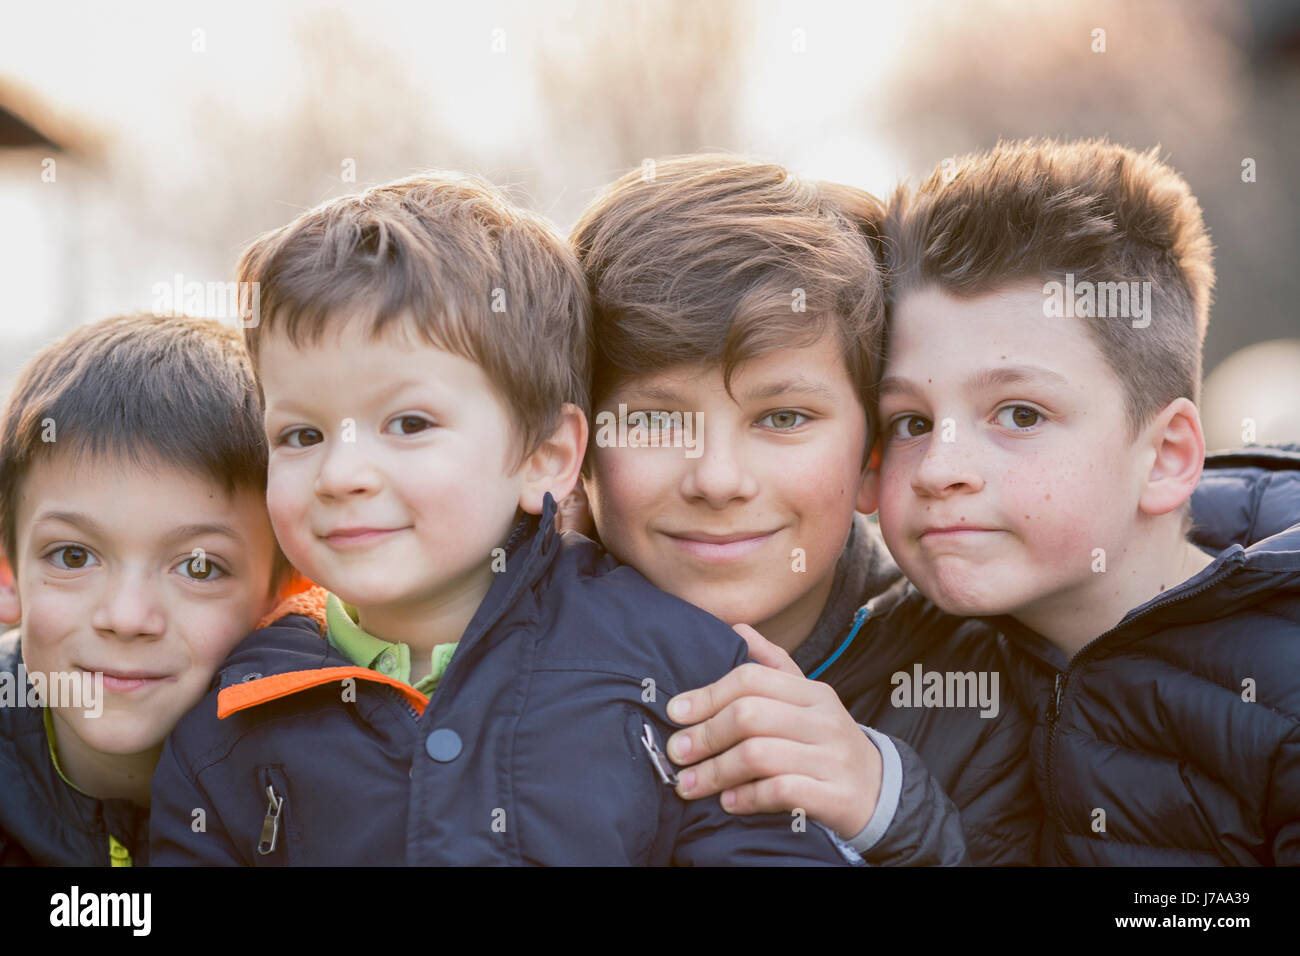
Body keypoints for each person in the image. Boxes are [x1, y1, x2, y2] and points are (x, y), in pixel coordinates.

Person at [149, 171, 851, 865]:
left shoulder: (680, 668)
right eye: (302, 436)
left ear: (546, 455)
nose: (341, 475)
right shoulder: (233, 716)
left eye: (410, 423)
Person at [566, 154, 1041, 864]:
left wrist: (890, 814)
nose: (718, 481)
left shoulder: (980, 696)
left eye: (784, 418)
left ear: (871, 461)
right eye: (658, 422)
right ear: (571, 450)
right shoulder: (484, 649)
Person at [877, 138, 1300, 864]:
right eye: (911, 422)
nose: (939, 468)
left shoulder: (1280, 705)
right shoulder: (903, 655)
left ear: (1165, 457)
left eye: (1020, 414)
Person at [0, 314, 293, 865]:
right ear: (7, 573)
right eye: (73, 556)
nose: (128, 617)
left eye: (199, 567)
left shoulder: (332, 775)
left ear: (285, 591)